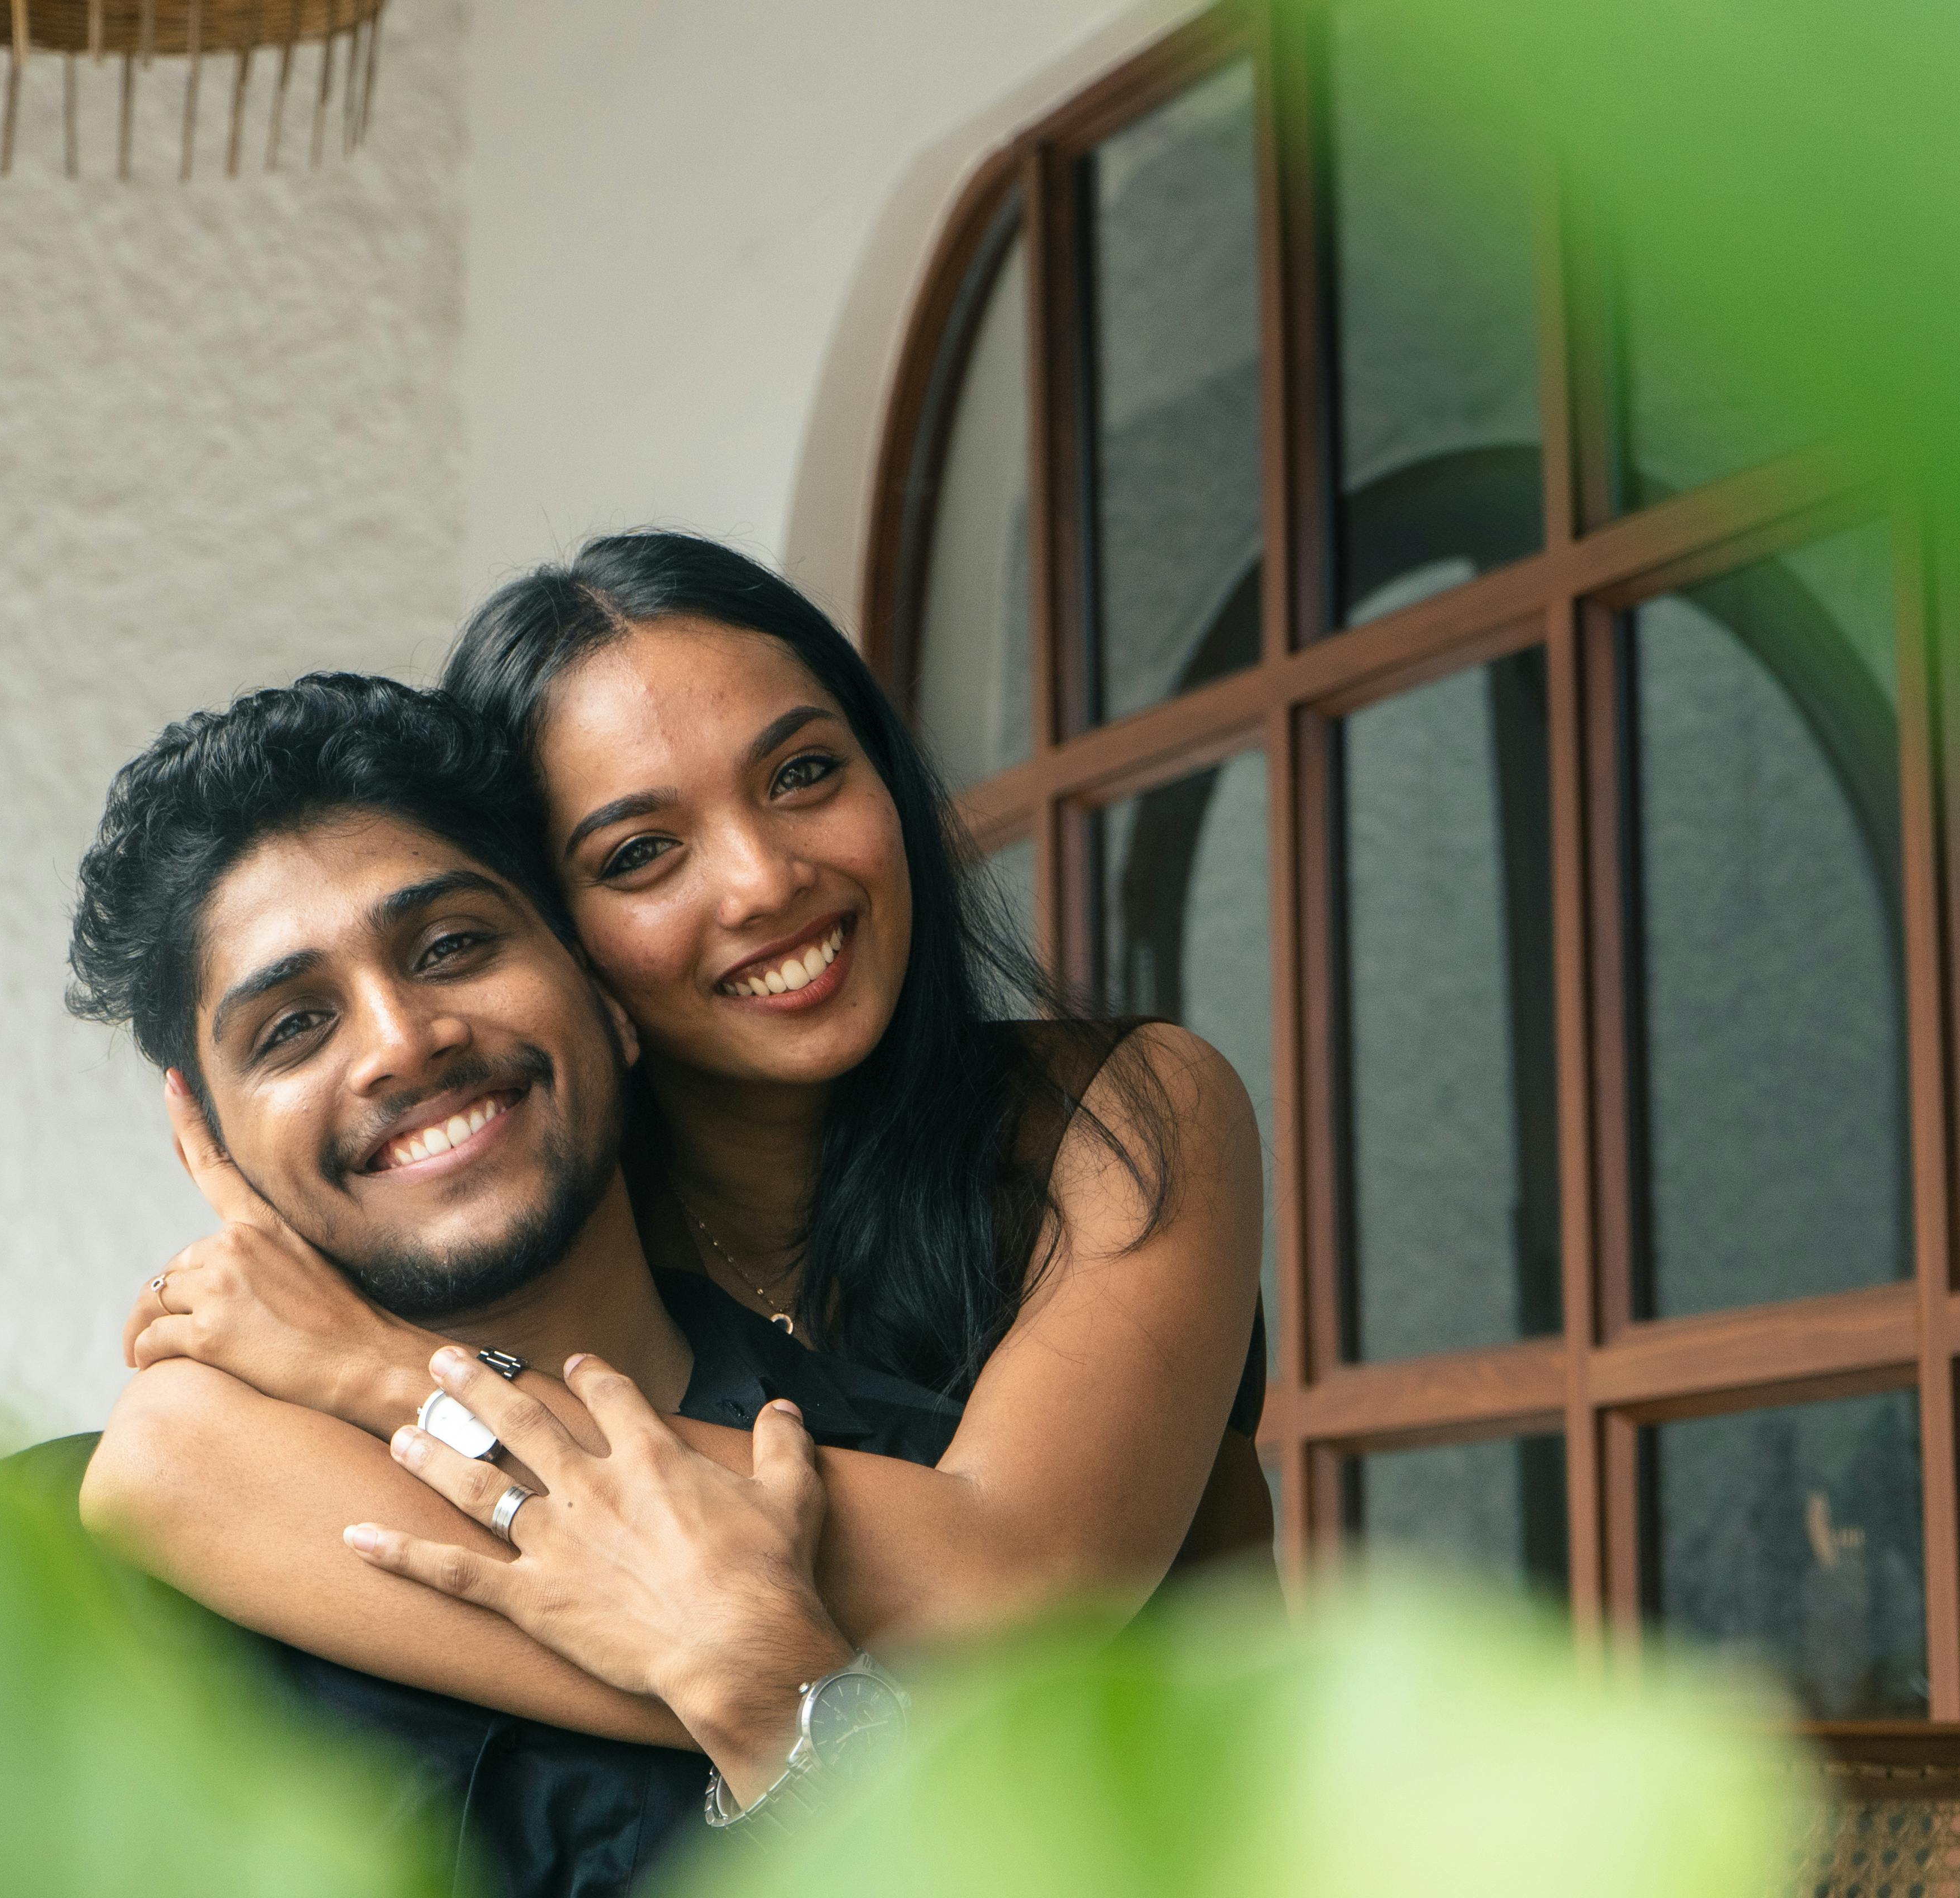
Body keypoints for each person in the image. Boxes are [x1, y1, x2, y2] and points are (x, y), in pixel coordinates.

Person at [93, 532, 1273, 1742]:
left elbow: (1018, 1585)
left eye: (806, 772)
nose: (764, 879)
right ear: (559, 929)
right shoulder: (533, 1205)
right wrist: (768, 1691)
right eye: (642, 852)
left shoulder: (1113, 1113)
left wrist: (385, 1369)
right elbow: (169, 1460)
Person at [46, 672, 946, 1897]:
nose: (405, 1040)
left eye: (454, 946)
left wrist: (785, 1702)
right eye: (294, 1025)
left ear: (603, 994)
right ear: (211, 1141)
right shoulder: (85, 1609)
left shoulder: (920, 1475)